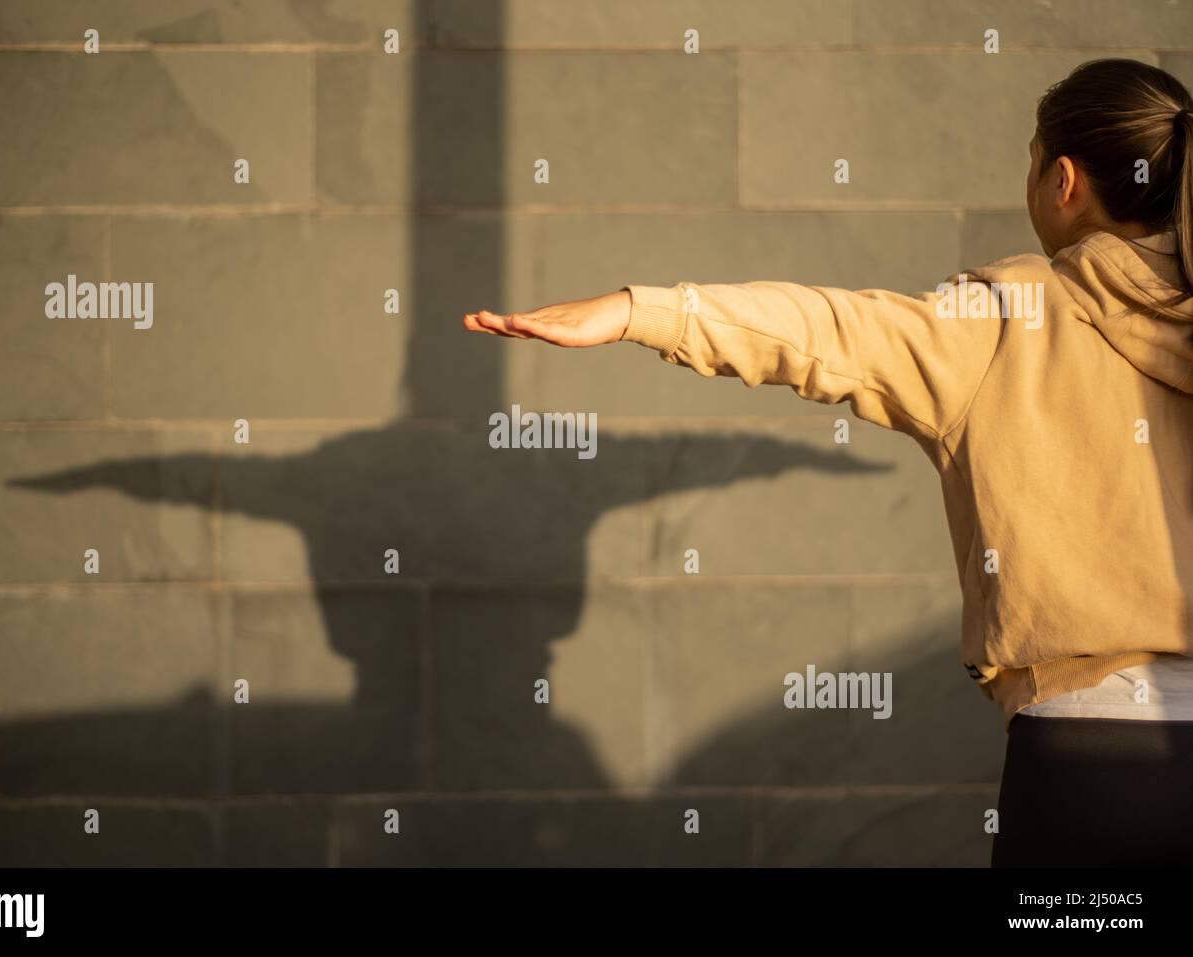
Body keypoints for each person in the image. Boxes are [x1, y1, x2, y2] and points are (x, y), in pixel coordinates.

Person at [464, 58, 1193, 867]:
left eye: (1030, 161)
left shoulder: (1008, 320)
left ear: (1062, 181)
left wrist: (642, 310)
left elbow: (825, 330)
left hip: (1088, 766)